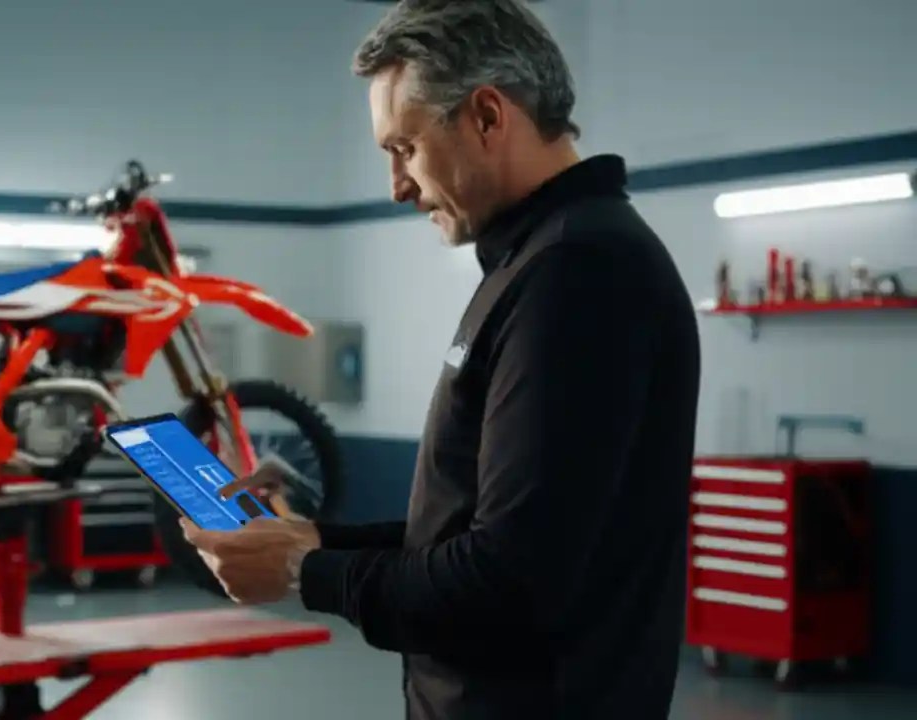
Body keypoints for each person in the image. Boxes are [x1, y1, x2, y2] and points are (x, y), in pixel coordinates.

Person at [182, 1, 702, 718]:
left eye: (404, 149)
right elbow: (485, 536)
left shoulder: (578, 272)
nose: (397, 185)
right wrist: (316, 539)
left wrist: (306, 572)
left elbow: (509, 583)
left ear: (488, 116)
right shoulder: (537, 261)